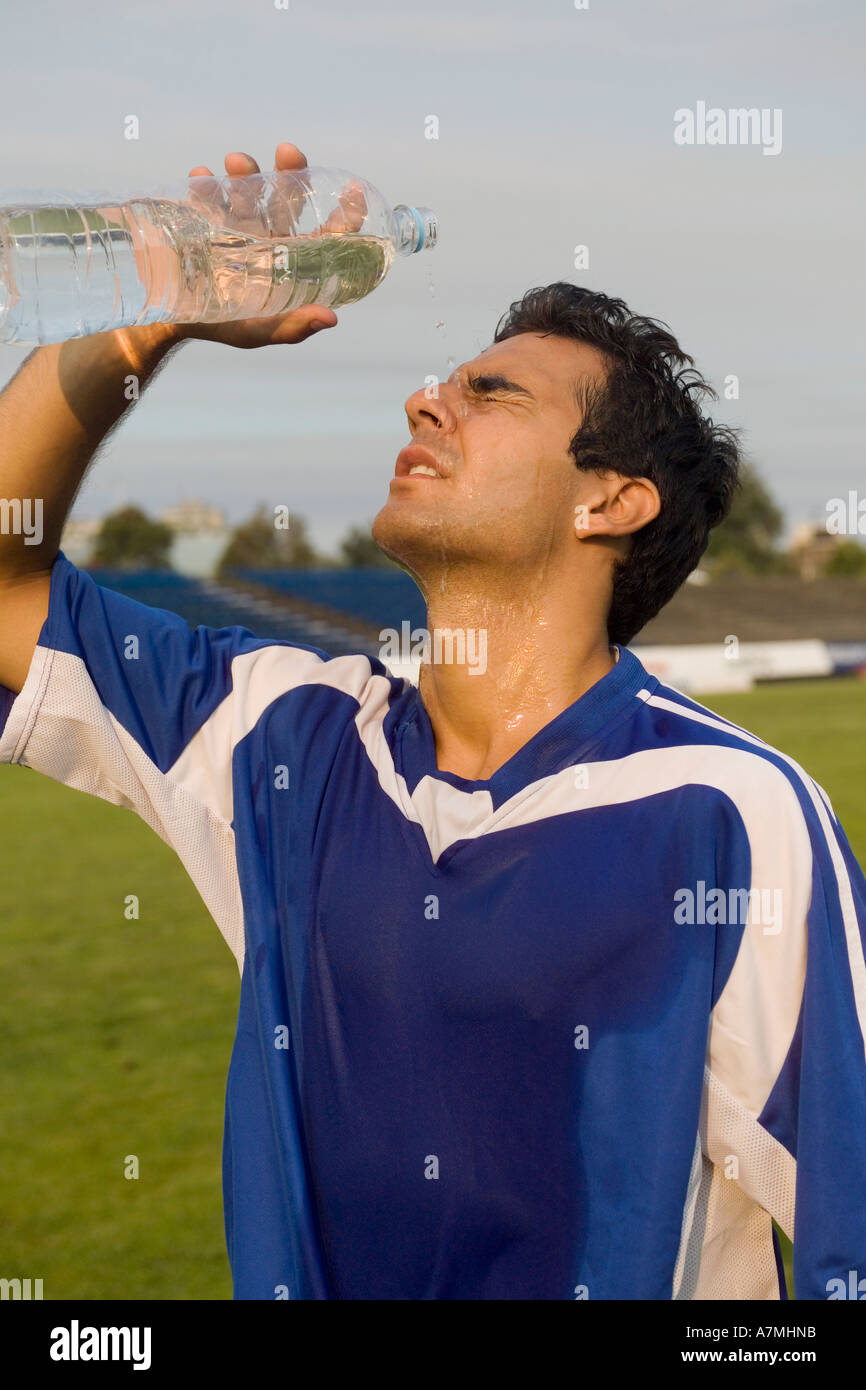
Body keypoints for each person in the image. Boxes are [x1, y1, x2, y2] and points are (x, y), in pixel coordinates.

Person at [1, 140, 864, 1302]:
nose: (422, 396)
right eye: (440, 382)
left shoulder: (727, 816)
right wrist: (147, 315)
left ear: (609, 500)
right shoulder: (281, 737)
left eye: (489, 391)